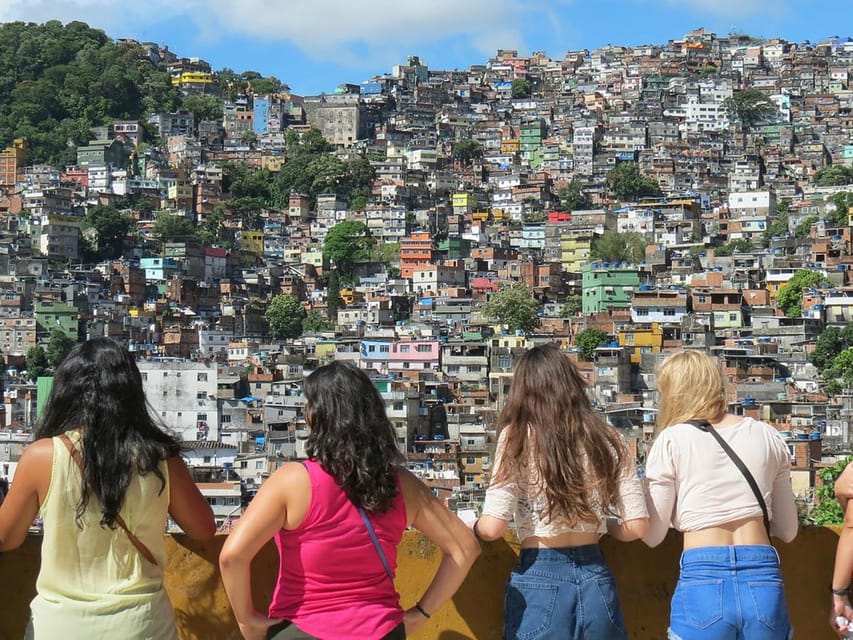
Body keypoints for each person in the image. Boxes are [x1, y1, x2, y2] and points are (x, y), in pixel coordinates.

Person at [219, 360, 480, 640]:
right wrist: (420, 615)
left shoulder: (292, 482)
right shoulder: (401, 484)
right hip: (381, 629)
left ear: (318, 416)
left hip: (303, 628)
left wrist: (247, 620)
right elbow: (465, 549)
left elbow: (232, 556)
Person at [0, 338, 216, 640]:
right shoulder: (160, 459)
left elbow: (7, 538)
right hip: (142, 625)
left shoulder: (42, 457)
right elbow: (204, 530)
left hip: (59, 626)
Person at [471, 343, 649, 640]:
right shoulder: (609, 438)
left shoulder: (517, 437)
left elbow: (492, 528)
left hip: (540, 577)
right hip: (596, 577)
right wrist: (604, 524)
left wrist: (473, 525)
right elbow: (638, 526)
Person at [642, 350, 798, 640]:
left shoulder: (672, 440)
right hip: (763, 576)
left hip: (702, 576)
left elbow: (653, 535)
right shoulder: (767, 435)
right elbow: (788, 531)